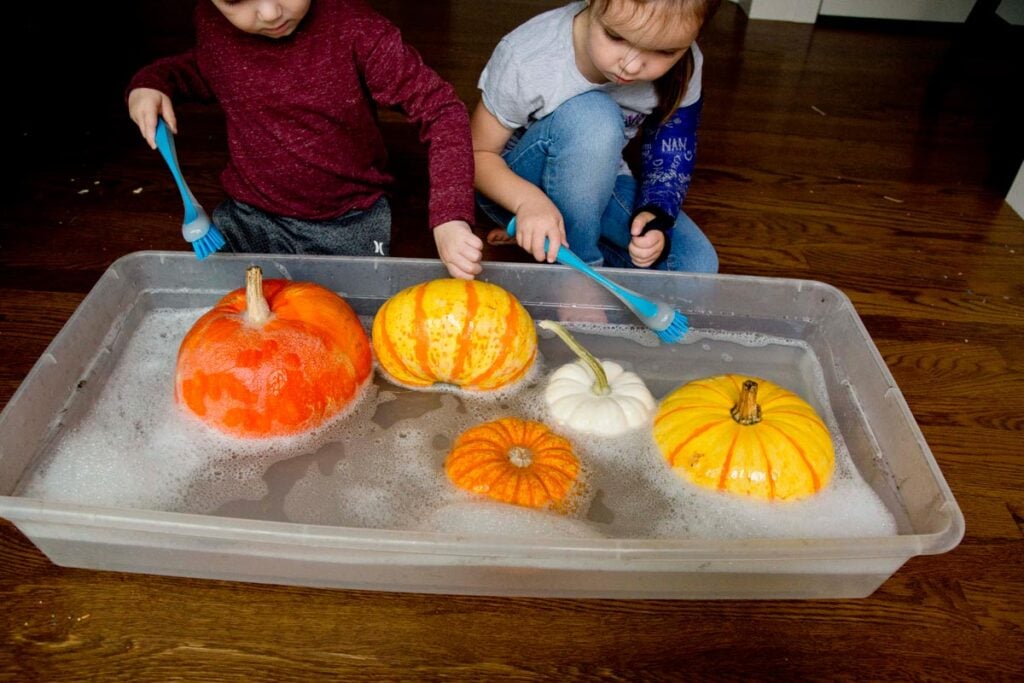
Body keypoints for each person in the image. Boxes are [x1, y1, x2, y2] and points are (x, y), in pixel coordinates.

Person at [127, 0, 484, 280]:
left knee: (348, 320)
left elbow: (442, 110)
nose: (269, 12)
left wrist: (450, 217)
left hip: (350, 218)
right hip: (251, 212)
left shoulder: (357, 29)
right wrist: (154, 81)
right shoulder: (211, 22)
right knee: (224, 309)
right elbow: (209, 69)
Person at [472, 0, 720, 272]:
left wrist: (655, 212)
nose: (632, 66)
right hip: (515, 188)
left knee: (697, 265)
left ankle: (545, 240)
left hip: (599, 181)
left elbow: (672, 145)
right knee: (593, 115)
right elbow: (476, 155)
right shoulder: (527, 55)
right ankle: (578, 270)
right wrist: (528, 202)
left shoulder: (686, 63)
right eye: (617, 37)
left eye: (664, 51)